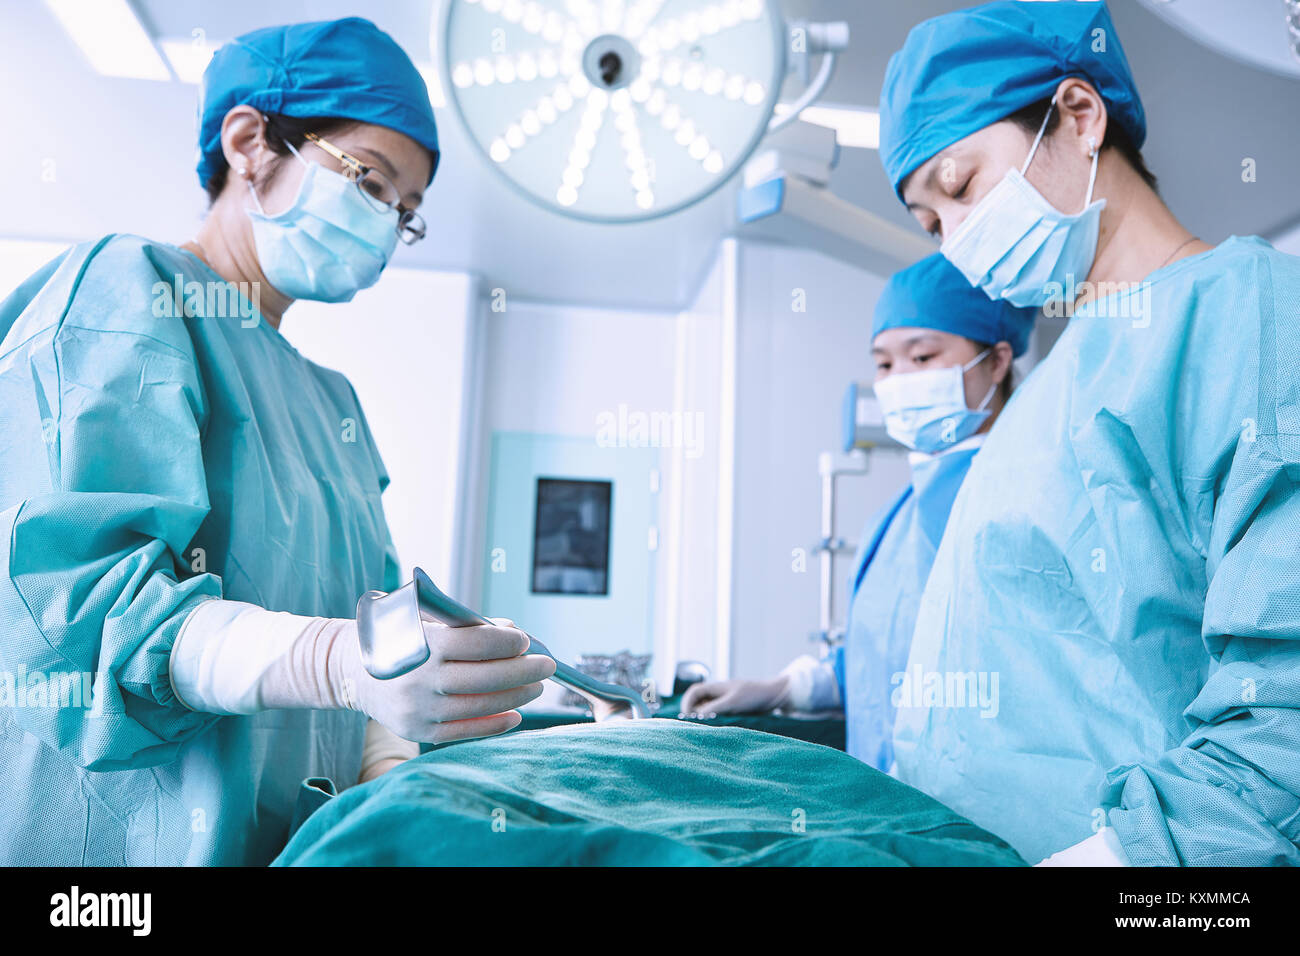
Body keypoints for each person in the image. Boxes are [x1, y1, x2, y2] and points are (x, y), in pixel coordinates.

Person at [0, 18, 554, 866]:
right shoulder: (126, 293)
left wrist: (385, 771)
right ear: (251, 140)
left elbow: (374, 621)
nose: (385, 225)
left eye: (404, 213)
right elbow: (78, 618)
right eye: (370, 182)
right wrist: (337, 665)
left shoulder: (333, 404)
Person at [879, 0, 1300, 866]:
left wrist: (1121, 861)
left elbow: (1284, 710)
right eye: (930, 226)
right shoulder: (1051, 391)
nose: (957, 243)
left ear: (1078, 117)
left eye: (959, 189)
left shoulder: (1251, 320)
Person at [680, 254, 1035, 774]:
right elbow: (876, 663)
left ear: (997, 362)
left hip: (990, 807)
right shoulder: (897, 517)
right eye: (885, 364)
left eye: (921, 357)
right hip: (895, 800)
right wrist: (784, 686)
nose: (898, 379)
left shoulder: (1026, 496)